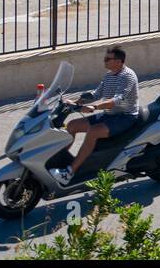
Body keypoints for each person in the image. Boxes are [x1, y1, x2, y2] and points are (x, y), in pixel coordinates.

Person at [52, 46, 139, 185]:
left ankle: (69, 172)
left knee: (93, 132)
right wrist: (74, 102)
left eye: (107, 59)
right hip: (109, 115)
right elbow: (96, 94)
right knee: (72, 125)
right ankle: (59, 162)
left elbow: (117, 100)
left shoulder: (127, 76)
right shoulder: (109, 75)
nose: (104, 61)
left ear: (118, 61)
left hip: (125, 117)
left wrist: (95, 107)